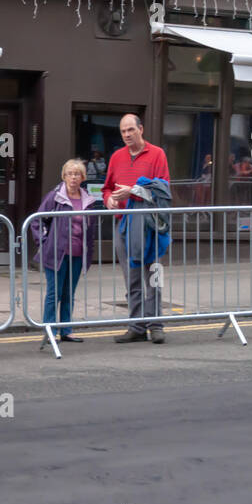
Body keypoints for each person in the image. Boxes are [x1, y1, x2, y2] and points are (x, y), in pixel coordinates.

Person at [104, 114, 171, 344]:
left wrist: (132, 191)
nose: (127, 135)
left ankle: (156, 325)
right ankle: (137, 326)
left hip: (149, 225)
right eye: (123, 131)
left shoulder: (157, 154)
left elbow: (163, 191)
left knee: (153, 276)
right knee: (131, 278)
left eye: (131, 129)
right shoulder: (116, 157)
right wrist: (109, 200)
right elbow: (107, 188)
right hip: (124, 224)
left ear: (141, 129)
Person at [32, 159, 97, 345]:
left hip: (77, 253)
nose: (73, 177)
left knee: (69, 293)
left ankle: (66, 330)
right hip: (56, 253)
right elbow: (37, 221)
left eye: (77, 174)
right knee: (55, 293)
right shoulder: (55, 196)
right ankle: (50, 331)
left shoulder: (87, 200)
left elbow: (89, 230)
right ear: (64, 176)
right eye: (70, 173)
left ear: (83, 177)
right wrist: (44, 243)